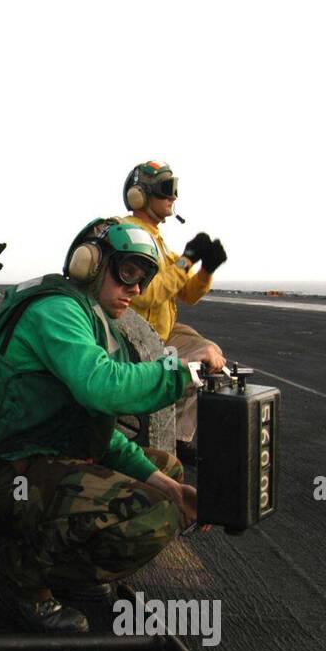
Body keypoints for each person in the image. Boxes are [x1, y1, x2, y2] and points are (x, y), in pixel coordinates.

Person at [0, 221, 220, 631]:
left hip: (44, 455)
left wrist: (172, 489)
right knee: (152, 514)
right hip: (2, 470)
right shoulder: (58, 311)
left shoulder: (92, 318)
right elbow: (103, 388)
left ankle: (70, 574)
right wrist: (182, 373)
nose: (136, 287)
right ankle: (20, 580)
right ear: (90, 264)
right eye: (127, 271)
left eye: (144, 277)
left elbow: (96, 433)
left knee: (166, 476)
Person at [118, 161, 227, 459]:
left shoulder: (157, 241)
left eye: (174, 189)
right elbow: (146, 295)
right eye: (167, 190)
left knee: (211, 356)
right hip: (136, 335)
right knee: (197, 362)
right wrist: (186, 261)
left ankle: (176, 438)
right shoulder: (129, 233)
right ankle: (159, 439)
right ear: (140, 196)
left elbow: (188, 294)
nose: (173, 197)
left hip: (162, 331)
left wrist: (206, 270)